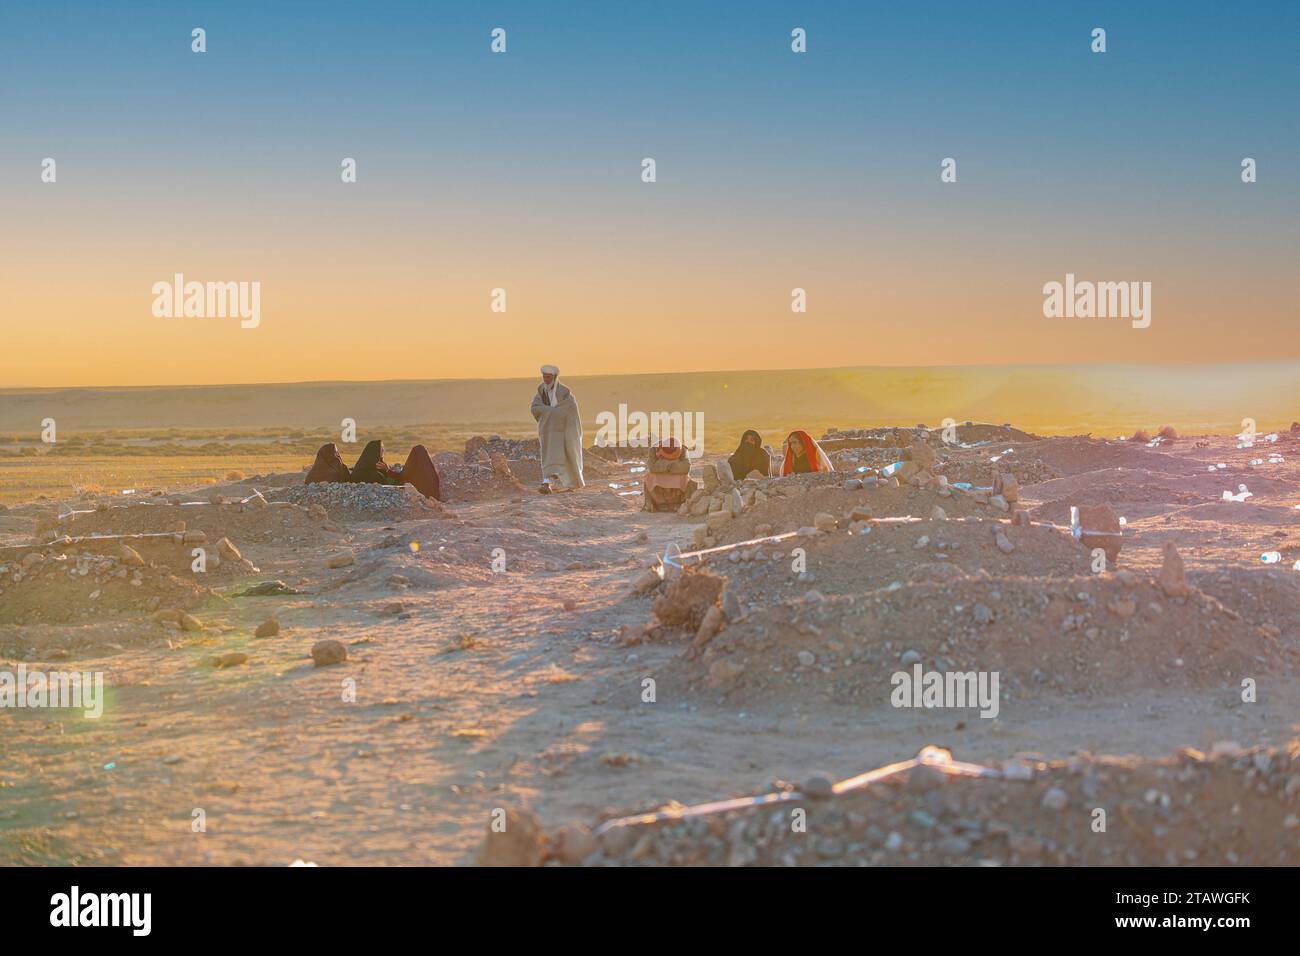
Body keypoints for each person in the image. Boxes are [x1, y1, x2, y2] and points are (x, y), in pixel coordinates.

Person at [530, 364, 584, 493]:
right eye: (544, 377)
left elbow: (569, 411)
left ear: (554, 377)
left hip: (565, 432)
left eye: (548, 377)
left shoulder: (565, 394)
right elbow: (535, 408)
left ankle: (570, 484)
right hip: (549, 433)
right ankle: (546, 483)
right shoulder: (540, 393)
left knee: (567, 456)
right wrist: (551, 413)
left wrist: (552, 413)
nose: (546, 380)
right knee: (549, 457)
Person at [346, 439, 442, 499]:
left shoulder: (368, 468)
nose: (383, 452)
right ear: (374, 452)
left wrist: (387, 471)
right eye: (382, 450)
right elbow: (392, 486)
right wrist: (388, 472)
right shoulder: (372, 474)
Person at [643, 437, 693, 512]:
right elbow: (652, 468)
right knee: (650, 477)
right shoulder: (654, 449)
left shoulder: (683, 449)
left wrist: (668, 466)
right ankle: (659, 504)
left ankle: (678, 503)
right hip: (661, 477)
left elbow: (686, 468)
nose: (671, 458)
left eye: (673, 456)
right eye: (668, 456)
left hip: (675, 475)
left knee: (685, 477)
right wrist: (669, 464)